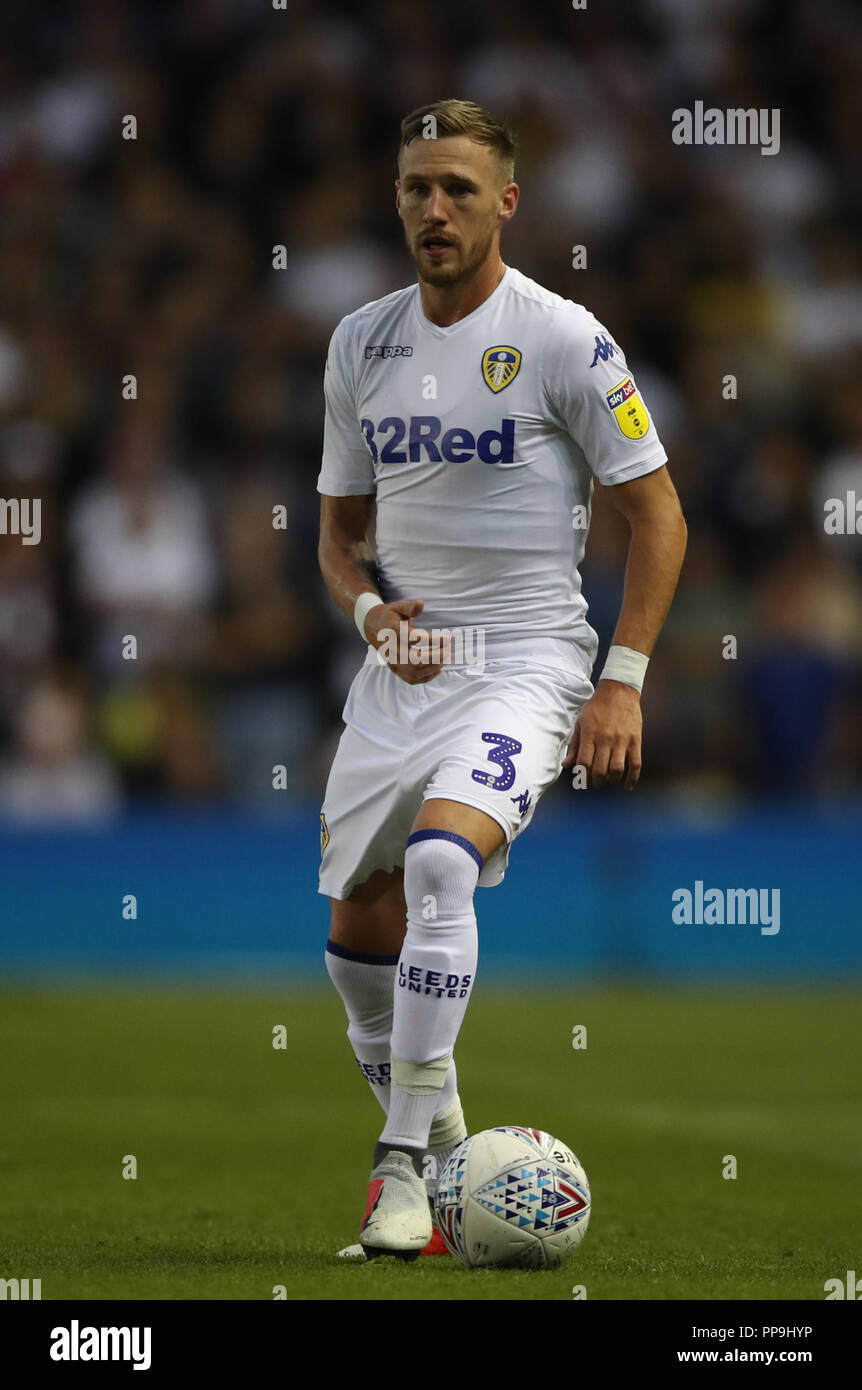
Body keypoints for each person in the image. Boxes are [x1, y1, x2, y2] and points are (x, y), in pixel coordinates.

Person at [317, 99, 687, 1260]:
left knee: (440, 863)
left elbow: (659, 517)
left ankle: (394, 1172)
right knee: (357, 936)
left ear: (506, 205)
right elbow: (336, 539)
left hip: (526, 660)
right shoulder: (359, 343)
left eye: (459, 190)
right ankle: (443, 1161)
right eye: (416, 188)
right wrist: (369, 612)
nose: (434, 209)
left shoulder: (566, 339)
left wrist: (621, 679)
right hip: (403, 676)